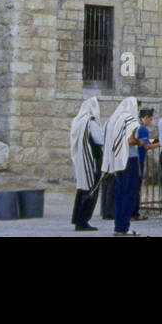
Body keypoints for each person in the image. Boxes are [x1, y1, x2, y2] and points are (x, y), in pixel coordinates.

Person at [101, 97, 142, 235]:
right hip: (129, 160)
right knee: (130, 194)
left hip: (118, 161)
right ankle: (123, 227)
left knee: (120, 194)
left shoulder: (114, 119)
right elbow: (130, 140)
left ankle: (119, 226)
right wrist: (139, 142)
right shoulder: (129, 119)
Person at [69, 97, 104, 231]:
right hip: (91, 160)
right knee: (91, 189)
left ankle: (77, 218)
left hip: (80, 160)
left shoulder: (78, 121)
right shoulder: (90, 122)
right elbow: (99, 139)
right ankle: (83, 221)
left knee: (82, 188)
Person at [131, 108, 159, 220]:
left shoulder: (136, 126)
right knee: (136, 187)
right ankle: (135, 213)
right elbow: (146, 146)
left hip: (134, 158)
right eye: (150, 119)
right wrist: (160, 144)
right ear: (146, 117)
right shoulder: (143, 129)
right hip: (139, 159)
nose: (150, 122)